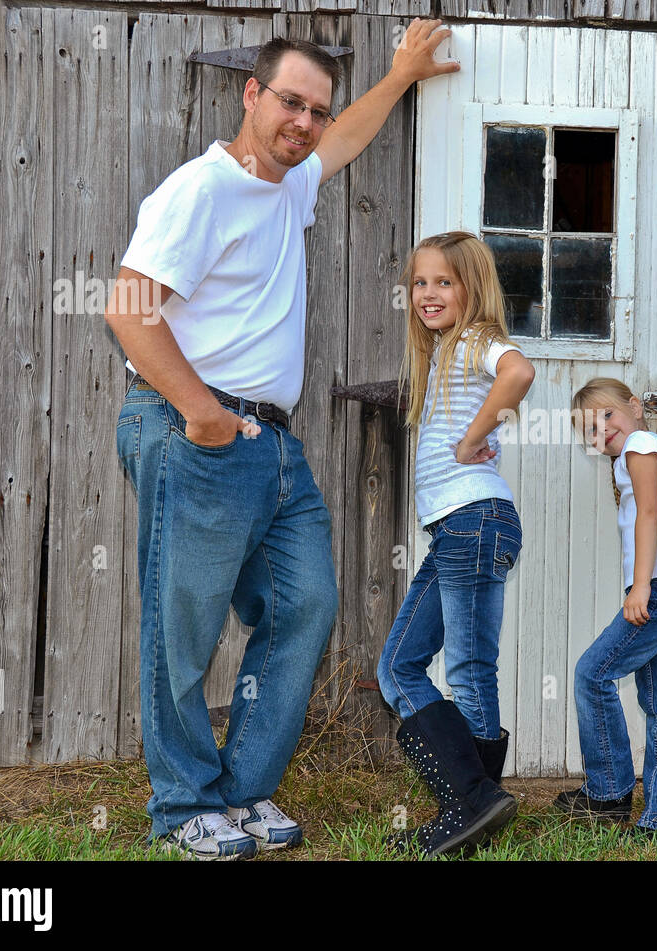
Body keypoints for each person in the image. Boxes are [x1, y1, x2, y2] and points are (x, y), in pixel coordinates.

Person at [104, 22, 459, 860]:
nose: (304, 122)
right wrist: (202, 414)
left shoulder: (290, 182)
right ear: (250, 95)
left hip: (271, 442)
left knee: (304, 606)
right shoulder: (201, 189)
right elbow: (127, 307)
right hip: (196, 428)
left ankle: (243, 792)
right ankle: (184, 803)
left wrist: (402, 74)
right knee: (182, 624)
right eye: (289, 102)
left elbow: (346, 137)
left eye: (314, 108)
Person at [376, 231, 536, 858]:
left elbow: (519, 370)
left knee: (432, 669)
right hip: (465, 525)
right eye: (420, 283)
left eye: (444, 282)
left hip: (472, 520)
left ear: (471, 288)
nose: (428, 293)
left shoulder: (473, 340)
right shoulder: (445, 350)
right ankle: (478, 810)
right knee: (416, 665)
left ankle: (469, 802)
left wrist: (474, 436)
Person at [554, 378, 657, 843]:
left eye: (606, 416)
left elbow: (650, 514)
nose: (600, 431)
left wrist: (640, 587)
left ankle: (608, 792)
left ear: (635, 407)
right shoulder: (636, 452)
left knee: (591, 673)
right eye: (588, 431)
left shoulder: (641, 443)